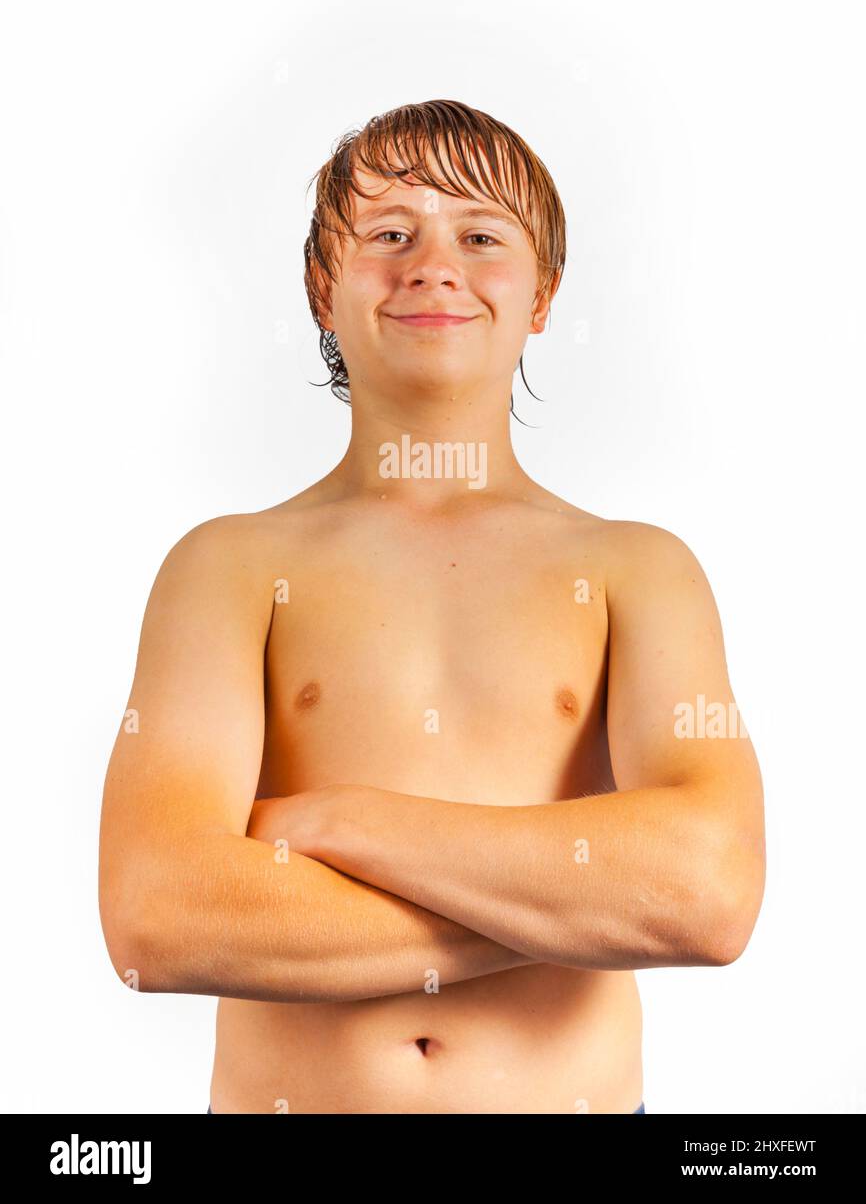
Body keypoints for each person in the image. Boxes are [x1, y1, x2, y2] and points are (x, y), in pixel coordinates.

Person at [98, 99, 766, 1114]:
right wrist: (573, 907)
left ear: (541, 294)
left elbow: (707, 892)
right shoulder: (224, 568)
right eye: (388, 233)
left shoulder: (638, 570)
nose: (432, 264)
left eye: (480, 235)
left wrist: (343, 822)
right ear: (323, 287)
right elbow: (159, 914)